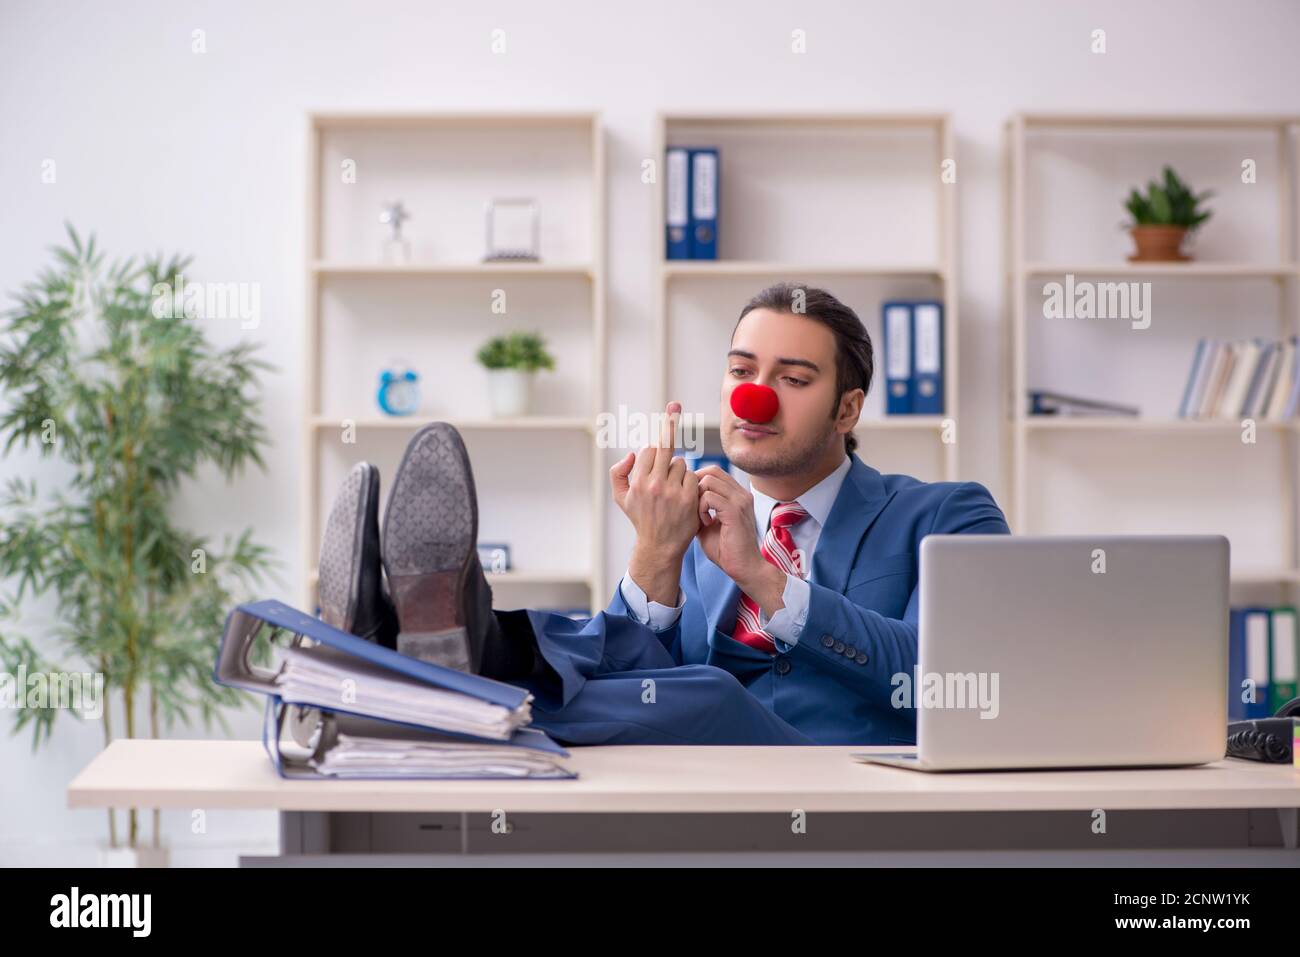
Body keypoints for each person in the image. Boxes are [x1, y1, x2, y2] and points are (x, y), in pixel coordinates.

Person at [317, 283, 1009, 745]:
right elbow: (630, 686)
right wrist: (656, 554)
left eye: (793, 380)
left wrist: (765, 579)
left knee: (708, 690)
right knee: (634, 667)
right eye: (741, 372)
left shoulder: (947, 514)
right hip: (691, 791)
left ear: (848, 409)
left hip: (844, 787)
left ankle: (453, 661)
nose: (753, 399)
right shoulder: (693, 514)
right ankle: (414, 636)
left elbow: (953, 684)